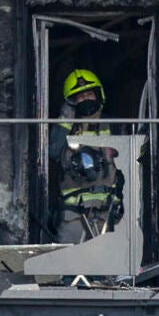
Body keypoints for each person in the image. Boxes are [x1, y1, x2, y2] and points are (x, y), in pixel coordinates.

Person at [50, 68, 122, 243]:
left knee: (110, 265)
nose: (86, 100)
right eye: (80, 97)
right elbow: (53, 152)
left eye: (89, 94)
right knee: (70, 264)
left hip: (110, 212)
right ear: (72, 102)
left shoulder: (115, 126)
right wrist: (65, 118)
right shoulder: (66, 129)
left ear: (99, 94)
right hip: (73, 215)